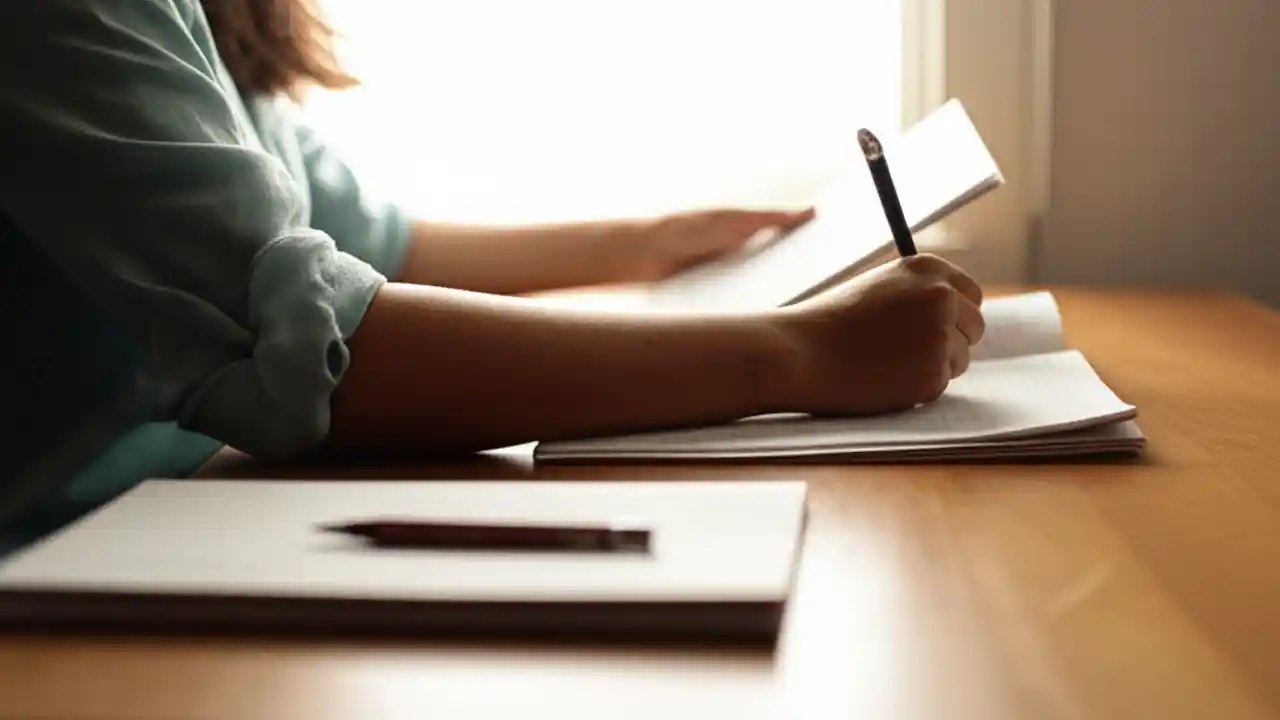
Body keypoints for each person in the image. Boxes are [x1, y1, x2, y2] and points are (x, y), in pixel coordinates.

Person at [0, 0, 984, 546]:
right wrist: (799, 356)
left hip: (164, 529)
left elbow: (362, 245)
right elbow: (311, 352)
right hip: (49, 568)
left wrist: (643, 244)